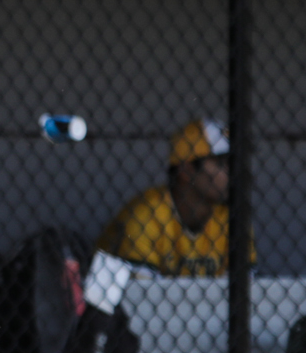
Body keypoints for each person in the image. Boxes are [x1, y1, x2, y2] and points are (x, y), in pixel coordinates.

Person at [97, 119, 255, 278]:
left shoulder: (231, 218)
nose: (234, 173)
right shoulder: (147, 213)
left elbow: (246, 291)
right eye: (222, 164)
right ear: (186, 170)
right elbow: (139, 296)